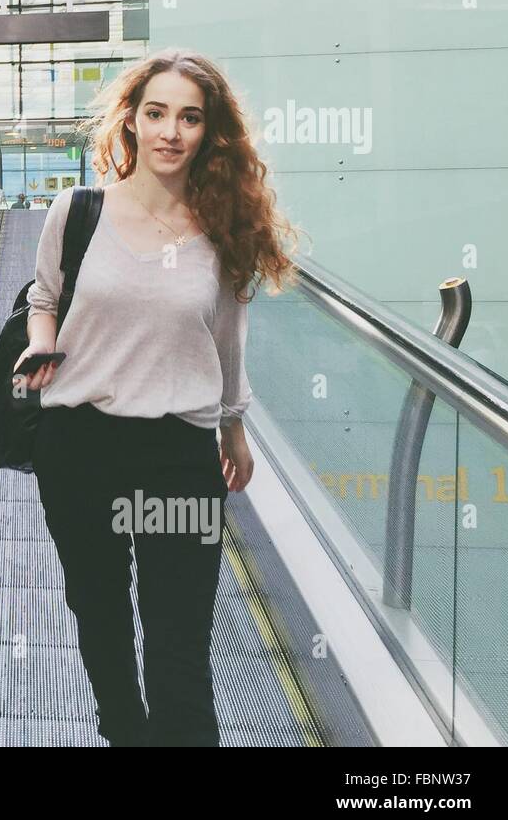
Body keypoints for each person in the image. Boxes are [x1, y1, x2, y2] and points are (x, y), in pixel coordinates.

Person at [16, 48, 300, 747]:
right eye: (157, 113)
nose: (172, 131)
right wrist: (40, 339)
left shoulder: (223, 233)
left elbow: (228, 341)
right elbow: (44, 295)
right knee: (102, 617)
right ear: (132, 122)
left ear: (210, 133)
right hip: (78, 444)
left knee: (178, 646)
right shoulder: (77, 211)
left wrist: (234, 429)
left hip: (177, 451)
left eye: (190, 117)